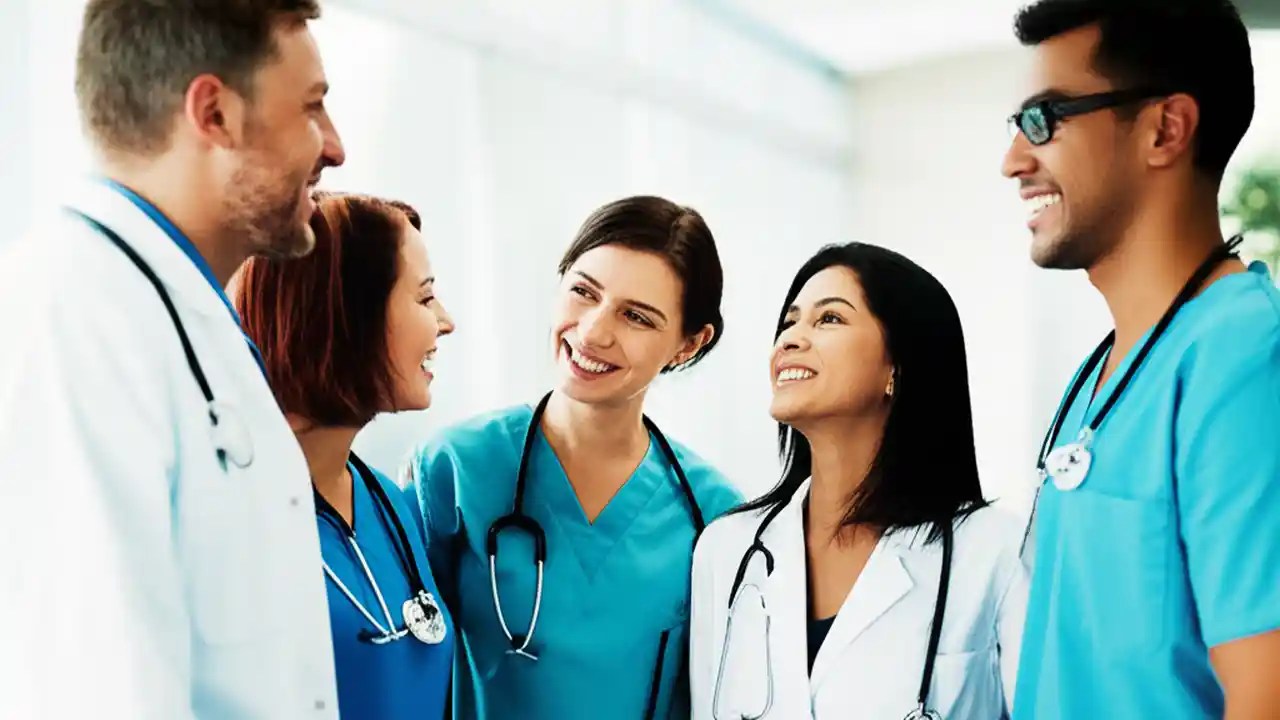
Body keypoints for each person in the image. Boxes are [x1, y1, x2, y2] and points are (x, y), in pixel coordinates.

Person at [0, 1, 346, 717]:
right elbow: (95, 694)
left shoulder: (175, 309)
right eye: (312, 108)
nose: (334, 146)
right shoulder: (71, 316)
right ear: (214, 114)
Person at [1002, 0, 1280, 717]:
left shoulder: (1245, 356)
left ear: (1165, 129)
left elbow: (1266, 691)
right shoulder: (1101, 373)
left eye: (1045, 120)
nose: (1013, 161)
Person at [402, 195, 743, 719]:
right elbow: (406, 671)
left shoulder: (716, 515)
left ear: (689, 344)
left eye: (636, 316)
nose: (593, 331)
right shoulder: (456, 468)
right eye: (584, 292)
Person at [689, 243, 1027, 719]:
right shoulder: (725, 551)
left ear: (898, 365)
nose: (790, 339)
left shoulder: (996, 551)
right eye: (790, 321)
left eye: (829, 319)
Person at [233, 192, 456, 719]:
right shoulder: (236, 513)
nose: (446, 322)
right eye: (425, 300)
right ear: (347, 316)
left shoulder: (393, 506)